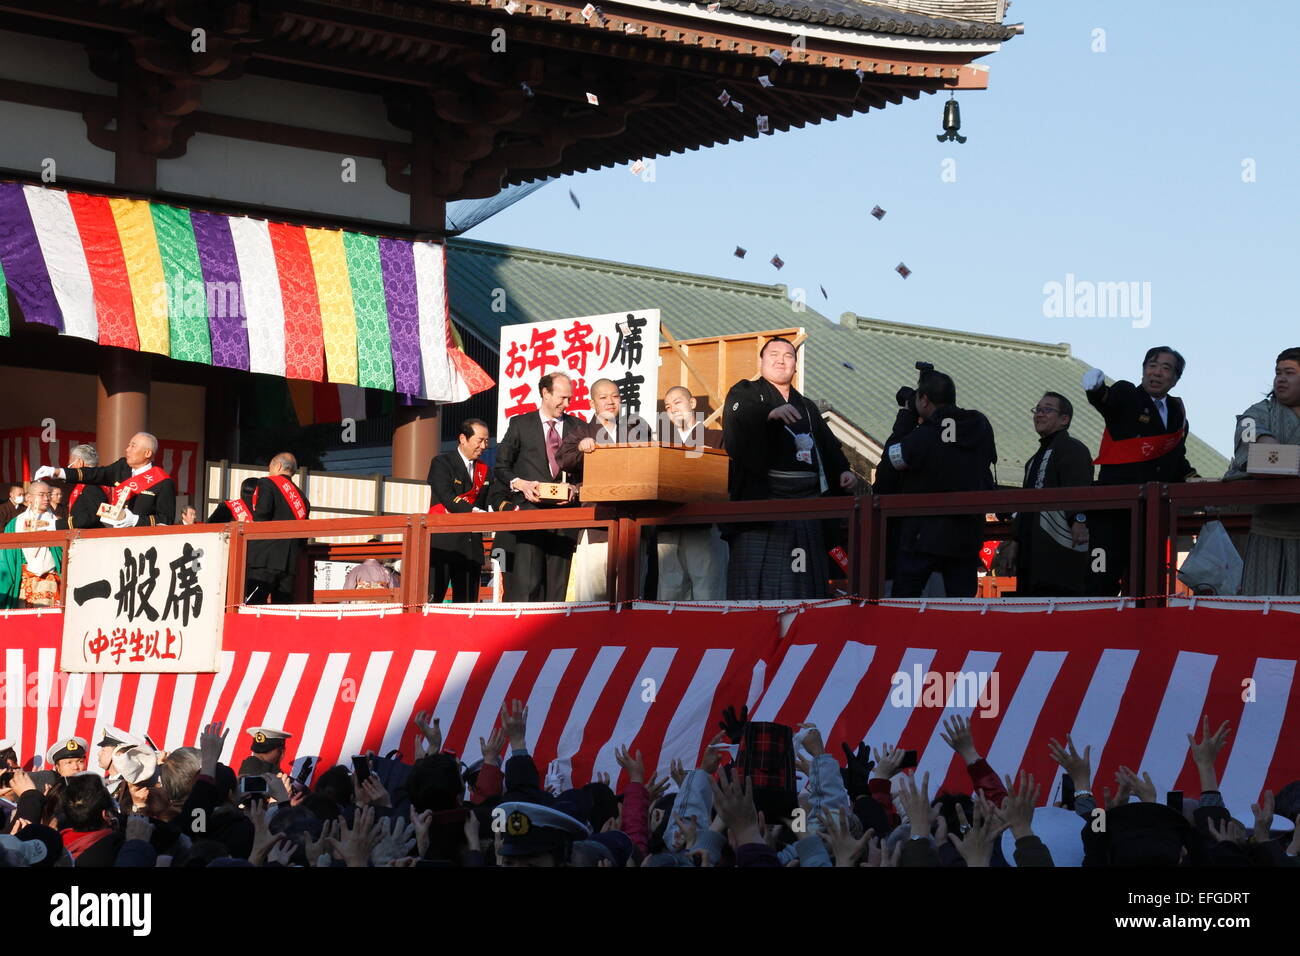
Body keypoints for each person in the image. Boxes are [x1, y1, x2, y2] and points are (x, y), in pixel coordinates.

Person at [722, 338, 856, 600]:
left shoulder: (805, 406)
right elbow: (739, 419)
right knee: (756, 581)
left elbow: (828, 446)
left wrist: (843, 470)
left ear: (795, 366)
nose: (781, 360)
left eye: (788, 356)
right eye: (773, 354)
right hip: (765, 496)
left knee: (802, 579)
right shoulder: (745, 392)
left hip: (805, 501)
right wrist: (768, 414)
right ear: (761, 362)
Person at [1082, 347, 1199, 594]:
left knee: (1145, 582)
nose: (1156, 372)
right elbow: (1107, 401)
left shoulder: (1177, 411)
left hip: (1151, 511)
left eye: (1166, 368)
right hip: (1114, 507)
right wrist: (1095, 389)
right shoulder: (1126, 393)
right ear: (1143, 369)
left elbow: (1176, 459)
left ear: (1176, 378)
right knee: (1102, 576)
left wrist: (1193, 479)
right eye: (1152, 365)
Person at [874, 370, 997, 598]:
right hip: (967, 532)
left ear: (924, 400)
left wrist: (906, 419)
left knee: (905, 598)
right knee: (961, 603)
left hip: (923, 535)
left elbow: (886, 474)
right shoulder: (979, 424)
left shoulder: (922, 437)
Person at [558, 378, 652, 601]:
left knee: (632, 596)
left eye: (615, 396)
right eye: (603, 397)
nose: (610, 402)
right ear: (592, 403)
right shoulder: (581, 431)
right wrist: (582, 449)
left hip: (632, 522)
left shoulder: (635, 429)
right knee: (593, 597)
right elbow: (564, 459)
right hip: (597, 522)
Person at [493, 373, 582, 602]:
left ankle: (556, 634)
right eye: (562, 398)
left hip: (565, 518)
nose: (567, 404)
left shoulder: (578, 427)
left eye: (570, 399)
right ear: (545, 393)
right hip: (530, 515)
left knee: (558, 587)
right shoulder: (520, 424)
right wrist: (520, 484)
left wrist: (575, 489)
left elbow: (587, 472)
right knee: (528, 584)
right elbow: (502, 467)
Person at [1223, 347, 1300, 594]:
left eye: (1290, 372)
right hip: (1269, 526)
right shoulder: (1259, 411)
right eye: (1278, 372)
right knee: (1265, 605)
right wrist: (1272, 449)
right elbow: (1251, 435)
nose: (1281, 378)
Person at [1011, 392, 1094, 596]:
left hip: (1058, 548)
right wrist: (1014, 541)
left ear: (1064, 419)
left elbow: (1079, 490)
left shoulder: (1073, 449)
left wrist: (1079, 519)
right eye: (1037, 410)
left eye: (1047, 409)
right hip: (1030, 551)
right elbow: (1023, 506)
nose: (1039, 414)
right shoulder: (1033, 460)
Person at [657, 385, 728, 600]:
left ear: (693, 403)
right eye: (668, 407)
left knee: (707, 587)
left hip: (704, 523)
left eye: (678, 402)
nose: (673, 409)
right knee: (670, 589)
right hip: (668, 522)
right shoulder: (662, 444)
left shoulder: (716, 439)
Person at [35, 431, 176, 527]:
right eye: (128, 445)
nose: (127, 449)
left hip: (141, 544)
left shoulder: (162, 482)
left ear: (147, 453)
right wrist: (58, 472)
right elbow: (96, 474)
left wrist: (134, 520)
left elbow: (166, 519)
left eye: (133, 446)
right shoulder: (122, 467)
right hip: (115, 538)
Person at [428, 419, 491, 603]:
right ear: (463, 438)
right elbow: (446, 496)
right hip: (443, 543)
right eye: (479, 440)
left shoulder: (485, 470)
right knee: (431, 600)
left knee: (467, 605)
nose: (484, 446)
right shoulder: (442, 462)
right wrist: (474, 512)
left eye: (486, 441)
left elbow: (491, 500)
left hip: (471, 546)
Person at [246, 453, 311, 605]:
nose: (269, 471)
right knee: (281, 610)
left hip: (264, 559)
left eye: (270, 467)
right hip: (289, 564)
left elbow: (262, 516)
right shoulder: (302, 497)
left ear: (278, 466)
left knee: (252, 605)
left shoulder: (267, 483)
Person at [0, 480, 62, 609]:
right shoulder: (15, 524)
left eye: (49, 494)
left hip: (50, 581)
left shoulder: (58, 523)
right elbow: (6, 559)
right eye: (41, 494)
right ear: (29, 497)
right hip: (23, 581)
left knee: (49, 621)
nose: (46, 498)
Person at [56, 444, 109, 531]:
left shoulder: (92, 486)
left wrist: (58, 524)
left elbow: (90, 518)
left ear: (80, 463)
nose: (70, 469)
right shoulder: (98, 481)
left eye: (70, 466)